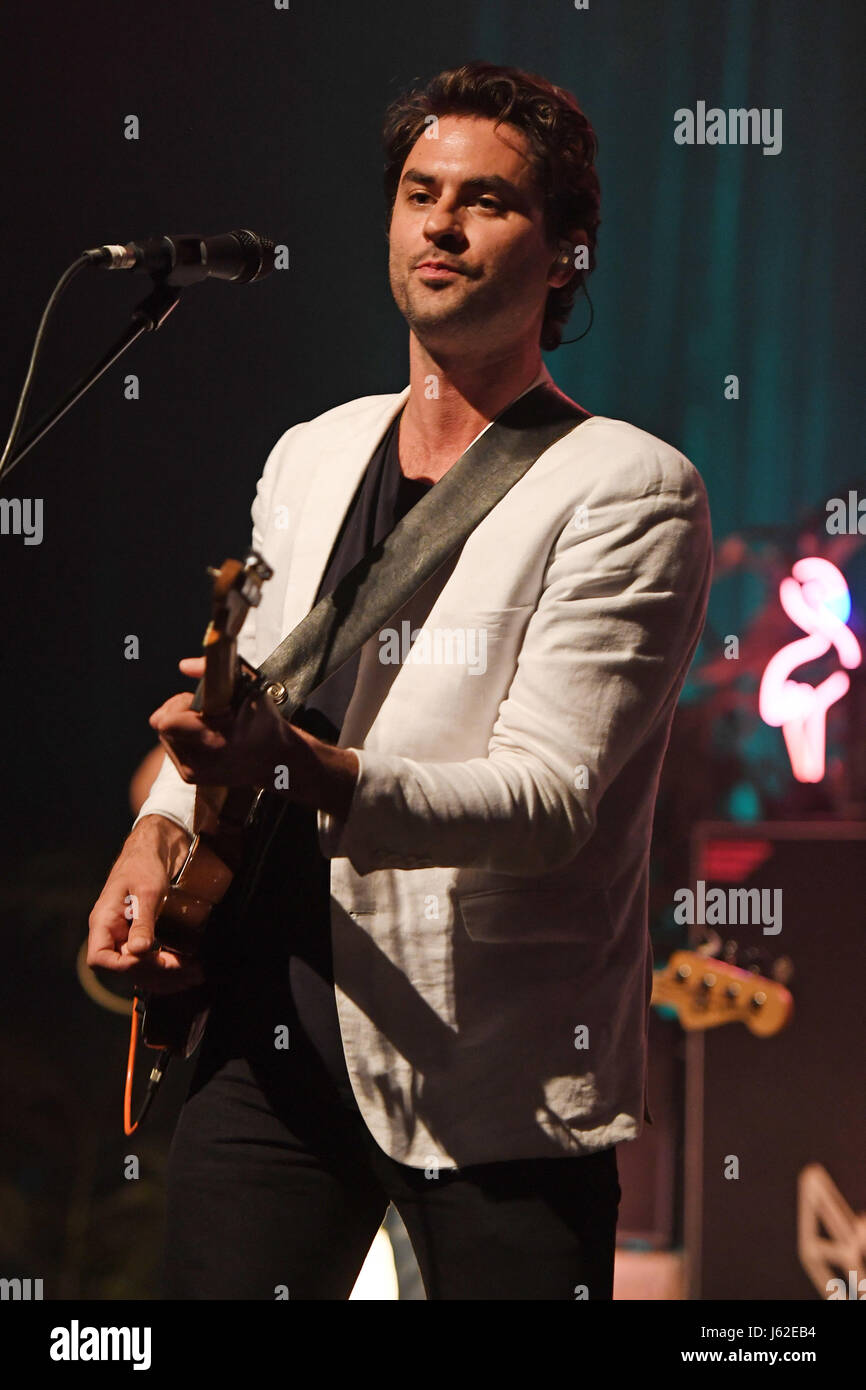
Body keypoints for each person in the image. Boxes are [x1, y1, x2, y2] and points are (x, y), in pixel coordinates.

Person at [88, 61, 713, 1300]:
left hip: (485, 1073)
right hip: (265, 1045)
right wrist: (157, 840)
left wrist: (302, 766)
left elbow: (547, 803)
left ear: (565, 252)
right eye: (418, 192)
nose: (438, 223)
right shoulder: (311, 453)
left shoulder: (626, 487)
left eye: (483, 200)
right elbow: (250, 706)